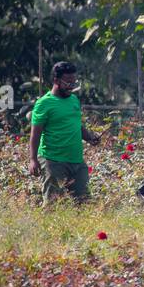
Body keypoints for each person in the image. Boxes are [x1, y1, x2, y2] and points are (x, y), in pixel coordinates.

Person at [30, 61, 101, 204]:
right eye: (68, 82)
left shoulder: (74, 100)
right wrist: (33, 159)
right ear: (56, 80)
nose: (72, 86)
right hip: (53, 161)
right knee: (53, 205)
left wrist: (89, 138)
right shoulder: (44, 103)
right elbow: (35, 133)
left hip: (77, 161)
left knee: (84, 204)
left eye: (74, 82)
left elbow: (75, 125)